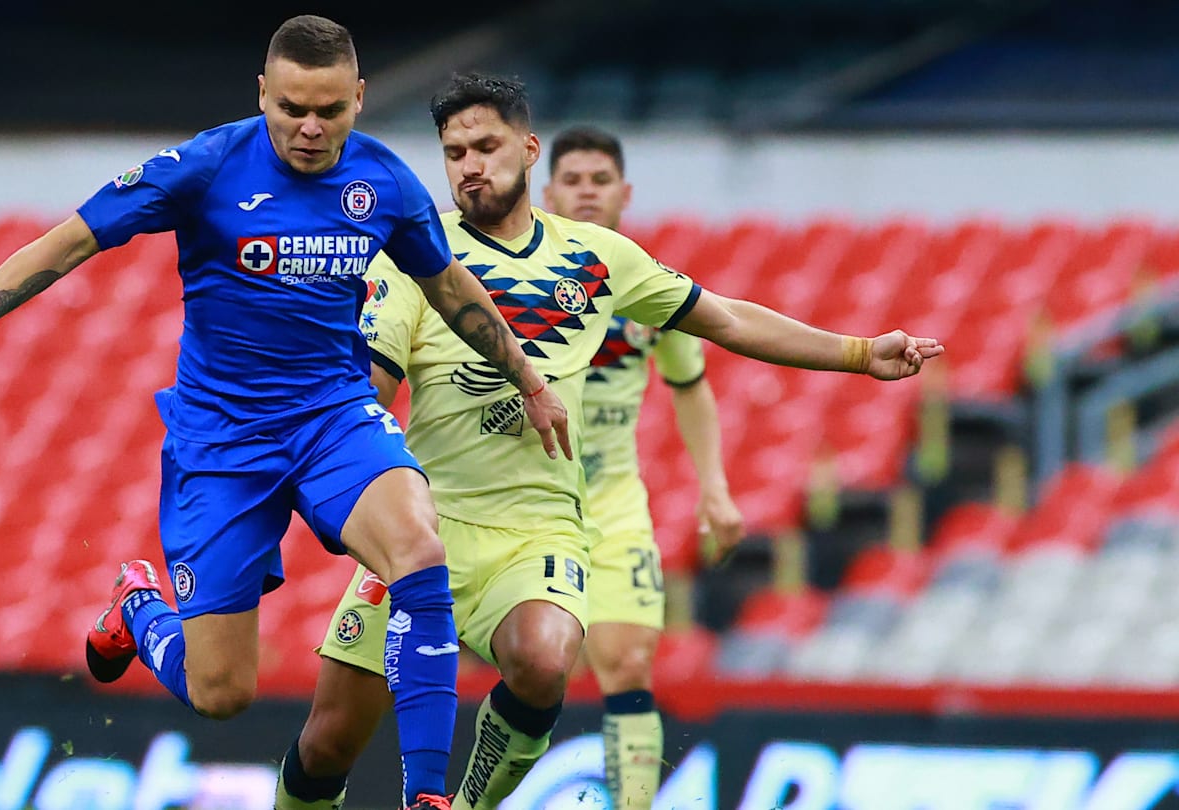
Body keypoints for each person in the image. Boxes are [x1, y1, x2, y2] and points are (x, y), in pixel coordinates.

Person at [0, 18, 572, 810]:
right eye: (292, 108)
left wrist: (529, 379)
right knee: (222, 694)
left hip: (334, 417)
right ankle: (139, 606)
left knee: (417, 549)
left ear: (360, 99)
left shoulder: (384, 182)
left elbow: (451, 290)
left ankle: (426, 796)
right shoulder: (205, 165)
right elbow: (69, 241)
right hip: (223, 443)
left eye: (332, 110)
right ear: (263, 93)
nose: (311, 128)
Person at [272, 73, 943, 810]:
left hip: (539, 531)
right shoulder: (416, 258)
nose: (469, 164)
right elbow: (371, 387)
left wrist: (856, 353)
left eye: (486, 146)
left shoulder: (596, 257)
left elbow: (725, 319)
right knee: (328, 741)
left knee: (546, 656)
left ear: (528, 150)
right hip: (423, 529)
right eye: (454, 150)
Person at [543, 126, 743, 808]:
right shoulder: (506, 276)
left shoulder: (653, 292)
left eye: (601, 180)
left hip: (612, 502)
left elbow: (691, 387)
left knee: (627, 662)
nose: (587, 191)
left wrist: (714, 487)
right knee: (533, 667)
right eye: (573, 179)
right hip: (521, 502)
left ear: (624, 194)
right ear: (548, 192)